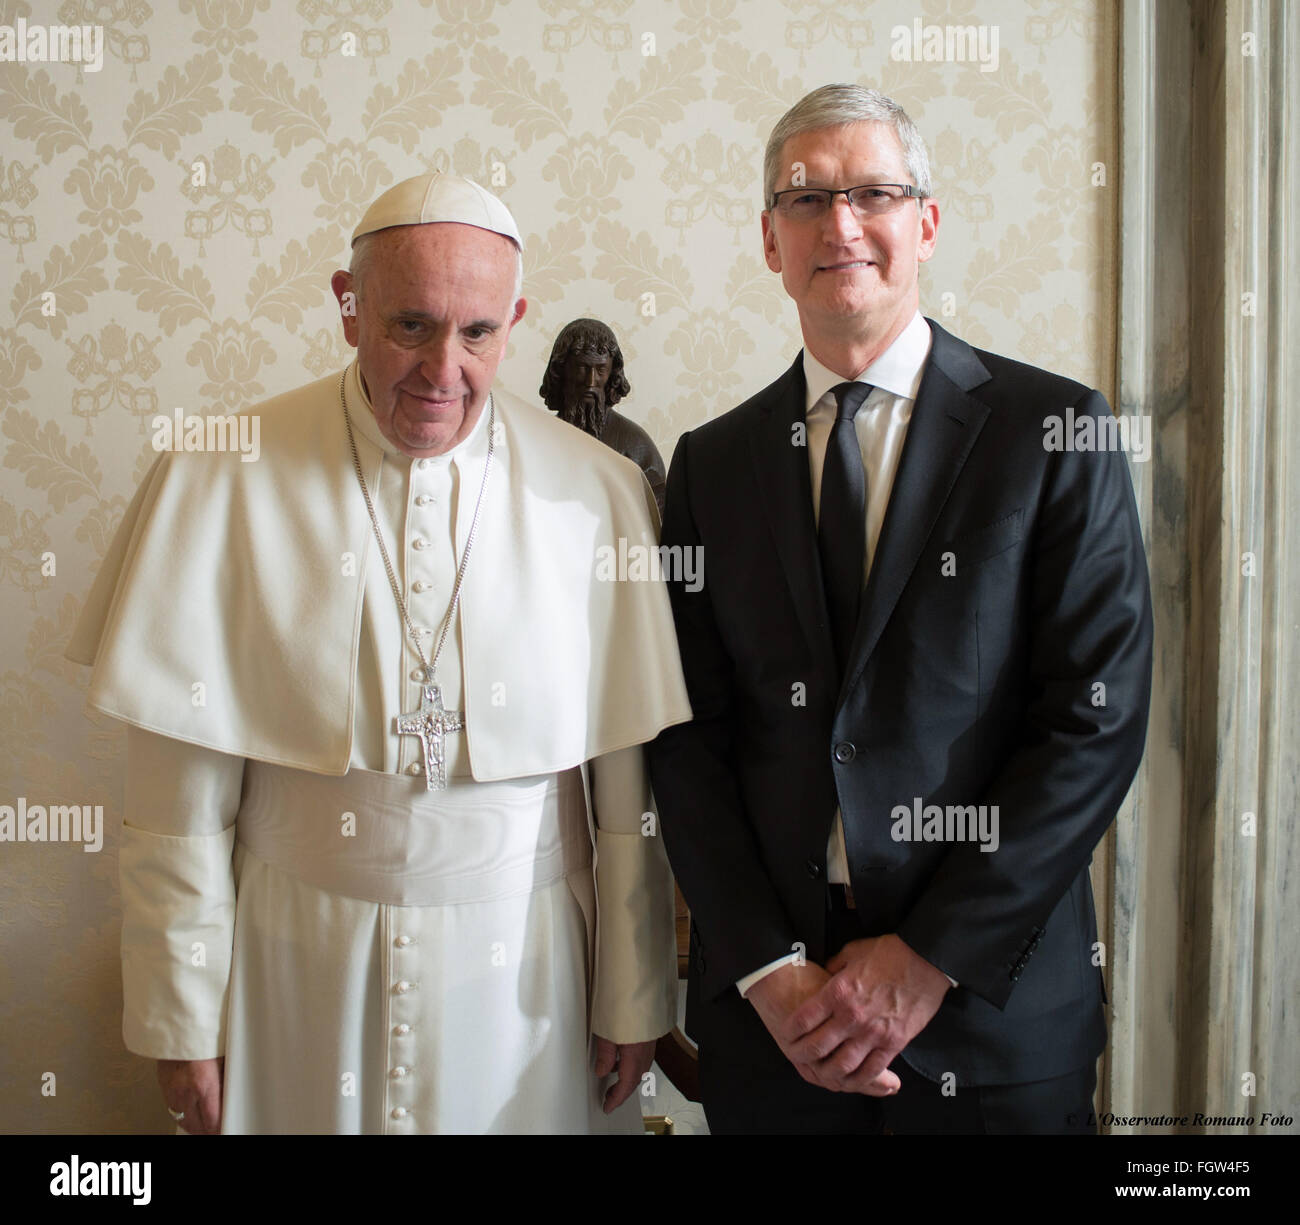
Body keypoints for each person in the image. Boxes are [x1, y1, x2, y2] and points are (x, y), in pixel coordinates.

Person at [67, 172, 692, 1134]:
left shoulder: (598, 491)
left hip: (528, 967)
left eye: (478, 333)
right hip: (295, 957)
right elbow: (178, 800)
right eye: (410, 326)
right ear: (348, 306)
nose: (444, 369)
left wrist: (634, 994)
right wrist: (182, 1014)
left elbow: (623, 791)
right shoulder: (219, 471)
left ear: (515, 320)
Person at [647, 84, 1153, 1134]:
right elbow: (686, 737)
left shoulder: (1056, 428)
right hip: (772, 1030)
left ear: (923, 223)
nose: (839, 224)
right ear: (768, 242)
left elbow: (1093, 721)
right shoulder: (711, 464)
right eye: (804, 199)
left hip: (993, 1023)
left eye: (873, 192)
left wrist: (930, 957)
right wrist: (766, 967)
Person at [540, 317, 667, 517]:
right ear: (562, 370)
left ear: (611, 373)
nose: (591, 382)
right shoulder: (536, 439)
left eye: (600, 370)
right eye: (582, 368)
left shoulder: (635, 446)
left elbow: (655, 521)